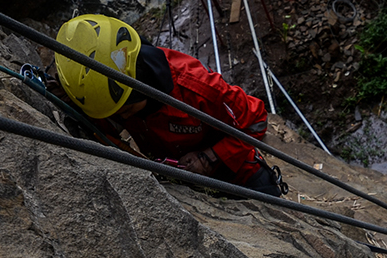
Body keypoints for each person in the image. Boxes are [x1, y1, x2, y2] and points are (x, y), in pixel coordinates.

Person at [54, 14, 286, 196]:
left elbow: (255, 120)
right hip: (173, 173)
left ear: (144, 88)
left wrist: (210, 157)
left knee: (266, 192)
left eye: (125, 112)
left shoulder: (196, 87)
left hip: (231, 168)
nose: (122, 118)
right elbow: (102, 125)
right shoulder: (104, 94)